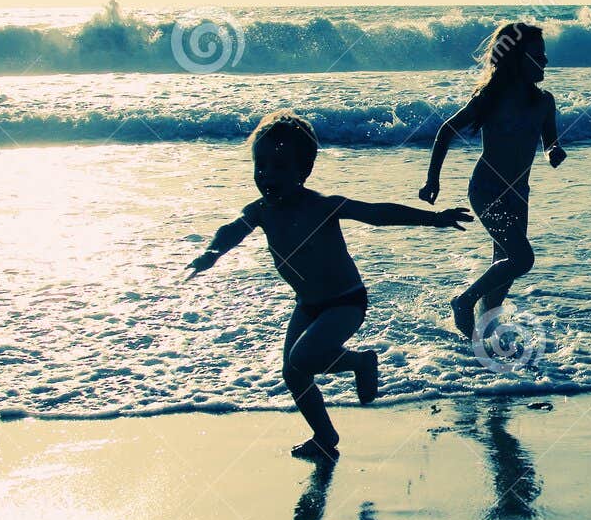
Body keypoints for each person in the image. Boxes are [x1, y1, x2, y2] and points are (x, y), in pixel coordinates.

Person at [188, 110, 472, 460]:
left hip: (346, 302)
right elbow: (230, 230)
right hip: (307, 305)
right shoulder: (261, 211)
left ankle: (361, 362)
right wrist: (211, 253)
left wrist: (433, 219)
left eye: (279, 166)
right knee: (293, 373)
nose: (267, 175)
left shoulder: (321, 207)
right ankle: (324, 437)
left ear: (303, 171)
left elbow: (377, 214)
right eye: (260, 165)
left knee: (303, 358)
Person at [420, 22, 565, 341]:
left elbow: (548, 142)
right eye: (538, 56)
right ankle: (463, 301)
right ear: (515, 59)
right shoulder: (491, 99)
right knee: (521, 259)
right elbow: (446, 131)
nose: (545, 62)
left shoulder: (543, 102)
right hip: (486, 190)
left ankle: (479, 339)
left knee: (504, 273)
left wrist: (553, 151)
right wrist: (433, 180)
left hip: (518, 194)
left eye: (544, 55)